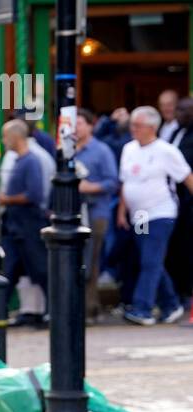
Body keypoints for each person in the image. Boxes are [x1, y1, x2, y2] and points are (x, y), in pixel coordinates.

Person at [117, 106, 193, 325]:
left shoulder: (166, 151)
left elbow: (187, 177)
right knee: (149, 260)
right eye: (132, 124)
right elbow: (126, 182)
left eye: (137, 126)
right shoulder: (129, 149)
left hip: (161, 212)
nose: (133, 129)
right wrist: (122, 211)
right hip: (139, 214)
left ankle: (143, 308)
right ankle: (171, 305)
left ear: (152, 128)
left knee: (150, 259)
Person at [0, 120, 50, 326]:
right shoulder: (20, 160)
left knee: (40, 269)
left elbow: (35, 195)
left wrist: (6, 199)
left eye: (5, 136)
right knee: (10, 269)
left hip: (28, 224)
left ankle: (53, 311)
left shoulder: (31, 161)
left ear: (15, 137)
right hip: (14, 225)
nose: (3, 141)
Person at [74, 109, 119, 322]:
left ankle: (90, 310)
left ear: (91, 125)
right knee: (73, 260)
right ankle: (77, 307)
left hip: (96, 213)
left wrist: (89, 187)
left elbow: (113, 182)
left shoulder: (101, 150)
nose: (76, 127)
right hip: (73, 214)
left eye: (80, 123)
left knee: (90, 261)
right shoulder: (67, 150)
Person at [164, 98, 193, 302]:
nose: (178, 113)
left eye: (184, 110)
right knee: (173, 249)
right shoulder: (174, 132)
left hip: (188, 203)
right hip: (170, 205)